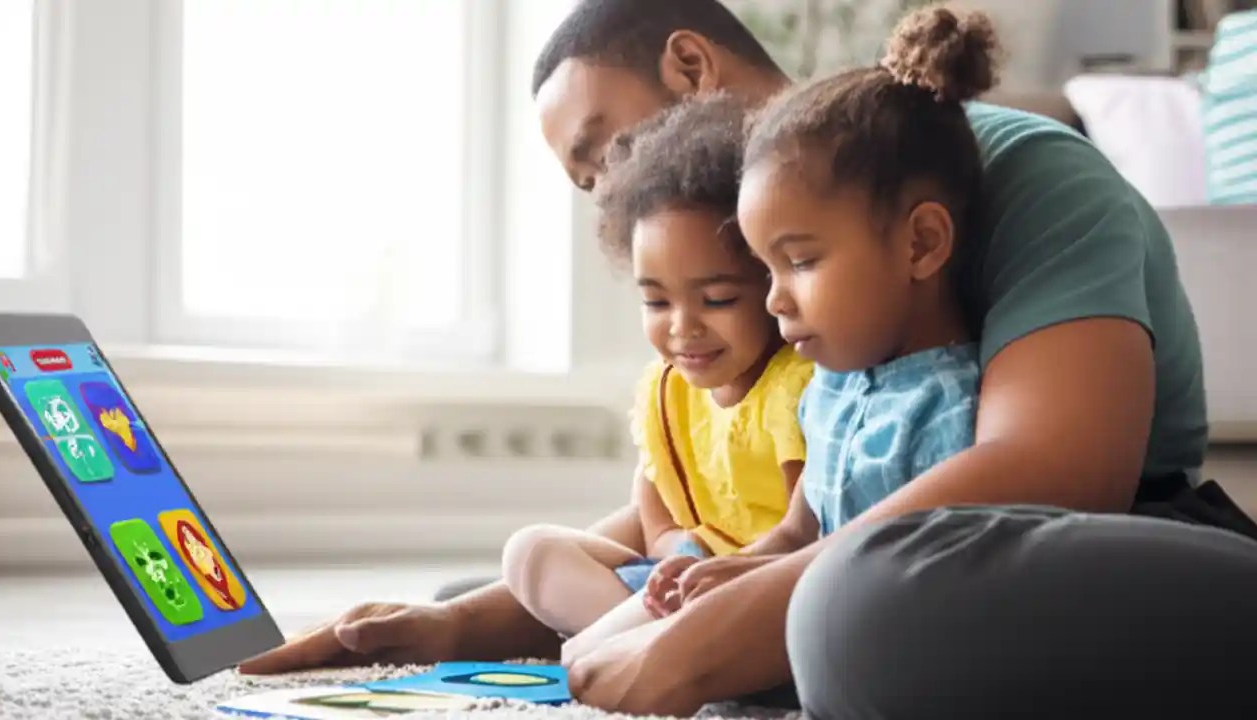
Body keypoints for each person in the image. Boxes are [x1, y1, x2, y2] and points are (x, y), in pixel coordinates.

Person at [242, 2, 1257, 716]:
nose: (616, 195)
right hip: (899, 557)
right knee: (552, 584)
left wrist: (747, 607)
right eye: (590, 183)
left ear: (690, 67)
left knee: (846, 605)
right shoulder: (787, 292)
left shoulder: (1005, 166)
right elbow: (699, 527)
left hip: (1095, 538)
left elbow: (1056, 468)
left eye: (604, 148)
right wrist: (462, 626)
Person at [646, 10, 989, 619]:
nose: (774, 299)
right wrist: (734, 569)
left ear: (921, 244)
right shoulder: (829, 390)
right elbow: (795, 535)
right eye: (766, 270)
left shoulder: (950, 415)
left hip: (873, 627)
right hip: (809, 608)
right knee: (598, 653)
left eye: (799, 262)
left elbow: (923, 591)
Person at [502, 94, 812, 665]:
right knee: (530, 552)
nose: (683, 328)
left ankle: (670, 650)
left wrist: (709, 576)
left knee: (582, 661)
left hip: (756, 590)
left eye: (717, 299)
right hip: (683, 583)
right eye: (655, 301)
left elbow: (805, 535)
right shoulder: (665, 390)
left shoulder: (792, 388)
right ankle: (660, 642)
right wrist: (677, 559)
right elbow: (655, 517)